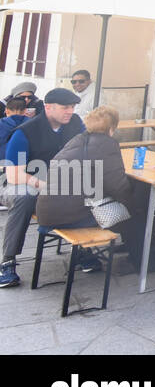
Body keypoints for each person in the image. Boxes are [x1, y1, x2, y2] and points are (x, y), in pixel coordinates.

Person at [36, 105, 155, 275]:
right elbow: (118, 186)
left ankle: (140, 252)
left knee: (130, 209)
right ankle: (146, 264)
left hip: (48, 212)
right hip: (70, 217)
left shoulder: (77, 140)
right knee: (135, 214)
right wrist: (134, 206)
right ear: (112, 128)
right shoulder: (107, 144)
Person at [0, 88, 87, 287]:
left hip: (57, 180)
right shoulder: (25, 132)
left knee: (90, 187)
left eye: (72, 107)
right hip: (17, 183)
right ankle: (8, 261)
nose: (70, 111)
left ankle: (83, 249)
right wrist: (44, 185)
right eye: (65, 107)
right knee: (25, 196)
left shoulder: (76, 124)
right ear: (48, 107)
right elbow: (14, 174)